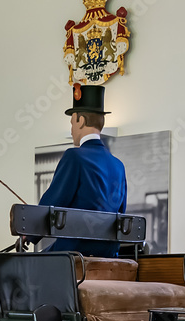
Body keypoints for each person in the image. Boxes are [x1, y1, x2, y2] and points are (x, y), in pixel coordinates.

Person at [34, 83, 127, 257]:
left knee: (27, 266)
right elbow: (121, 213)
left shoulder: (74, 156)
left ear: (81, 121)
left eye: (72, 123)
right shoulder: (118, 165)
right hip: (109, 254)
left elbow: (54, 200)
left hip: (74, 251)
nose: (71, 130)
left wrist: (28, 234)